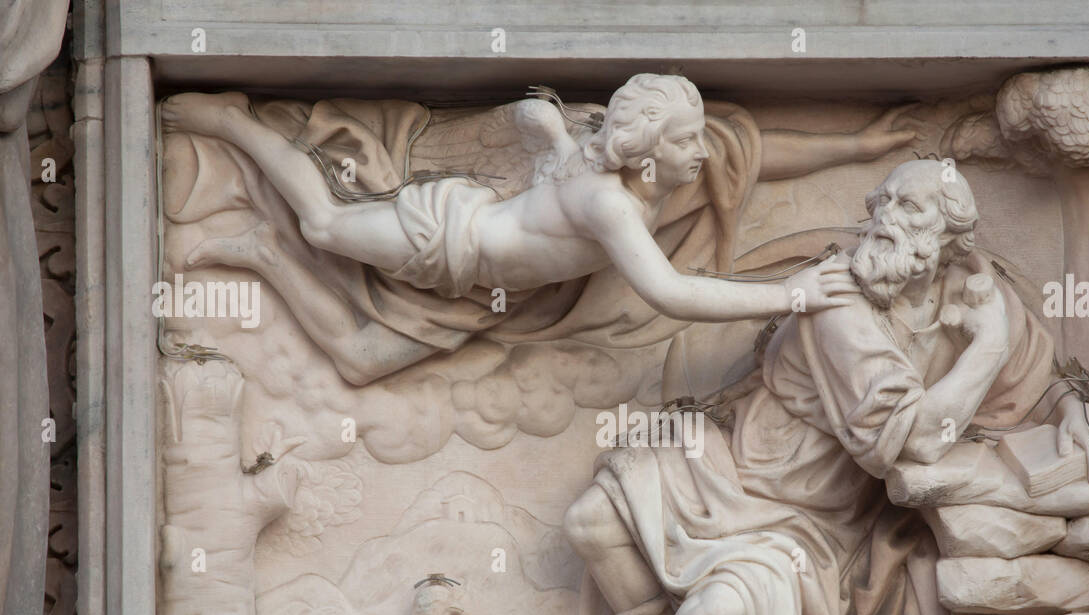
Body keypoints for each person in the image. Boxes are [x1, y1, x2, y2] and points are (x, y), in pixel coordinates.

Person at [451, 159, 1089, 615]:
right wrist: (985, 350)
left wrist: (1077, 412)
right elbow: (915, 438)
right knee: (591, 522)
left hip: (806, 521)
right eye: (882, 202)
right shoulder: (840, 301)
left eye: (908, 207)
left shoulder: (981, 297)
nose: (882, 218)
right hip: (723, 463)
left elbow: (1036, 381)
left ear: (950, 239)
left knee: (717, 609)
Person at [161, 74, 917, 383]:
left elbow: (747, 155)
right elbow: (674, 293)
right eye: (687, 141)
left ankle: (260, 251)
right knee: (325, 223)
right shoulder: (612, 205)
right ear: (647, 148)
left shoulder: (636, 173)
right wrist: (787, 296)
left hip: (480, 293)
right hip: (449, 244)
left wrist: (854, 148)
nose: (701, 150)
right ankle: (229, 122)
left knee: (360, 360)